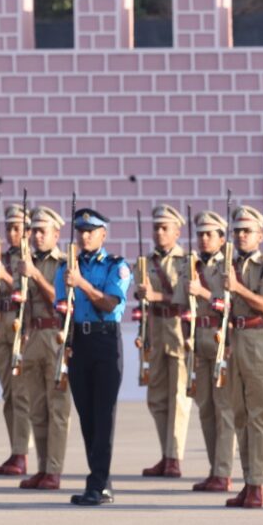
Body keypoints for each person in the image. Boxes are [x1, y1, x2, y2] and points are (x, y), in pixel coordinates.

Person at [57, 208, 132, 505]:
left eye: (91, 231)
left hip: (105, 339)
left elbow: (111, 303)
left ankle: (98, 483)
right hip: (79, 341)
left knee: (104, 414)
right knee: (86, 415)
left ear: (103, 234)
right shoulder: (67, 268)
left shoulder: (116, 266)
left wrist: (83, 284)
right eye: (80, 231)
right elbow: (61, 307)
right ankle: (101, 481)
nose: (84, 236)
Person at [221, 205, 263, 508]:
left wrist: (237, 288)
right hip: (235, 338)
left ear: (260, 235)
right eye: (238, 231)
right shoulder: (228, 265)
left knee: (258, 414)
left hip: (259, 340)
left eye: (247, 231)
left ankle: (257, 483)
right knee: (240, 414)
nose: (242, 236)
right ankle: (247, 481)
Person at [133, 203, 191, 479]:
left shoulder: (186, 262)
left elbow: (188, 299)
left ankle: (174, 457)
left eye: (164, 228)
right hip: (155, 331)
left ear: (177, 231)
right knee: (156, 397)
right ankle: (165, 453)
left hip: (178, 330)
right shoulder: (145, 263)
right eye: (156, 227)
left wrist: (156, 296)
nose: (159, 232)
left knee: (178, 396)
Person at [17, 206, 71, 490]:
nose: (37, 236)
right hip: (33, 335)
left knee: (57, 407)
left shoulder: (63, 263)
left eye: (42, 231)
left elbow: (61, 300)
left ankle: (54, 469)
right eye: (34, 231)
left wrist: (36, 276)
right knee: (36, 407)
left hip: (56, 334)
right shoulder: (27, 262)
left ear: (56, 234)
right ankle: (41, 467)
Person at [186, 210, 236, 492]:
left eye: (210, 234)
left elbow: (230, 304)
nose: (204, 239)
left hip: (220, 339)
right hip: (198, 339)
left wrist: (204, 293)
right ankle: (213, 468)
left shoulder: (227, 266)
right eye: (200, 234)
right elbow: (183, 305)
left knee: (223, 408)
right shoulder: (192, 265)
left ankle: (223, 471)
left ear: (221, 238)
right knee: (205, 407)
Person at [0, 202, 31, 477]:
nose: (12, 233)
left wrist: (5, 277)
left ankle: (22, 453)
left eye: (17, 228)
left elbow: (28, 292)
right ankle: (14, 450)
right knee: (8, 394)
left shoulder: (29, 259)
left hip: (20, 324)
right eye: (9, 228)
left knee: (21, 394)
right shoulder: (1, 257)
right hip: (2, 325)